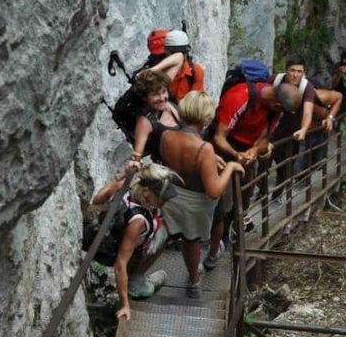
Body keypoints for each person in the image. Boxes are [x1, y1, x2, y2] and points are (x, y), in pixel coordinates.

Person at [158, 92, 245, 298]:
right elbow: (214, 191)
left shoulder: (166, 136)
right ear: (206, 117)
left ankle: (192, 279)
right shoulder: (204, 148)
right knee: (192, 239)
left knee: (182, 237)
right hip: (196, 202)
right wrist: (230, 167)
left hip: (172, 194)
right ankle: (196, 282)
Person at [210, 78, 301, 247]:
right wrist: (236, 154)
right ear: (279, 105)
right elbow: (219, 137)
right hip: (226, 147)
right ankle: (216, 238)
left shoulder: (274, 110)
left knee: (245, 192)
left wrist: (254, 151)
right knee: (224, 195)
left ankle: (232, 230)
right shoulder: (240, 97)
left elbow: (266, 136)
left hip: (248, 149)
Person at [90, 163, 183, 321]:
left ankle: (137, 278)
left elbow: (97, 202)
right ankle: (139, 284)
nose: (165, 201)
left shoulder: (126, 186)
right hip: (126, 252)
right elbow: (120, 264)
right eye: (161, 198)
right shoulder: (137, 222)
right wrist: (125, 305)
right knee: (166, 230)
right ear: (147, 193)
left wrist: (120, 177)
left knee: (163, 222)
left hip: (113, 240)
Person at [272, 55, 342, 184]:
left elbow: (307, 112)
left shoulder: (309, 89)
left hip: (298, 132)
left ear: (304, 73)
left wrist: (329, 118)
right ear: (286, 70)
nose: (295, 75)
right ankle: (263, 193)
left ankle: (283, 193)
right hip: (275, 130)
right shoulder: (276, 80)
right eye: (292, 70)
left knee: (291, 167)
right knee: (264, 165)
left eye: (299, 71)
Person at [130, 69, 182, 163]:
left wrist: (148, 72)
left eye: (164, 91)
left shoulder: (170, 105)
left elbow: (179, 57)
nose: (162, 98)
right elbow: (137, 155)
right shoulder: (145, 122)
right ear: (144, 98)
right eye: (155, 95)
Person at [149, 30, 205, 102]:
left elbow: (195, 104)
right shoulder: (159, 72)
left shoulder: (195, 71)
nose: (181, 57)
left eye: (183, 53)